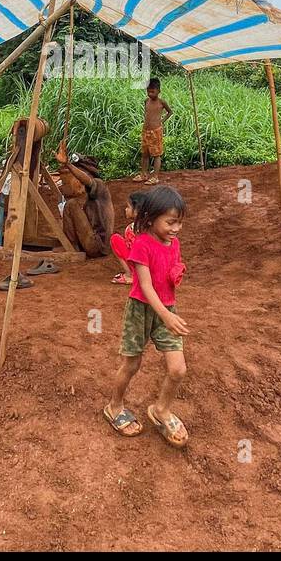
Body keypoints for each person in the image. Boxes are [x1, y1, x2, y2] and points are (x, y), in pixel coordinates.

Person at [103, 185, 189, 447]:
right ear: (150, 218)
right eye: (171, 222)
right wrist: (165, 315)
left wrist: (177, 271)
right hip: (142, 310)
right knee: (132, 364)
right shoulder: (141, 245)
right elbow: (146, 285)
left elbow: (172, 266)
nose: (176, 229)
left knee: (178, 369)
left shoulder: (173, 242)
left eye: (179, 223)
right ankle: (114, 406)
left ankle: (161, 409)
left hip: (167, 311)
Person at [133, 77, 172, 183]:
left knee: (156, 155)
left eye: (152, 91)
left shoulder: (162, 102)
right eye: (148, 91)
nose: (150, 93)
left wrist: (161, 121)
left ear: (159, 91)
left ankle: (155, 176)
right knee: (144, 154)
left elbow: (170, 112)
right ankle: (144, 174)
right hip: (146, 131)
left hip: (156, 131)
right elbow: (146, 113)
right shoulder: (146, 101)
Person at [108, 190, 147, 285]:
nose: (126, 209)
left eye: (128, 207)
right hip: (150, 268)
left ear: (137, 211)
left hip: (140, 265)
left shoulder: (131, 229)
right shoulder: (151, 227)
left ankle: (130, 275)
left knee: (115, 239)